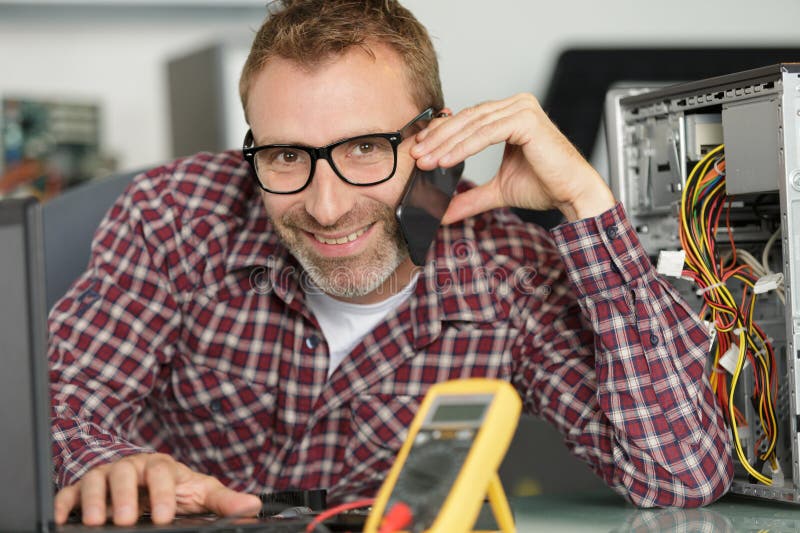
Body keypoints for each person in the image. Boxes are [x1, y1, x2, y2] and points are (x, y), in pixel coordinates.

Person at [49, 0, 733, 526]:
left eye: (365, 149)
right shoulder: (175, 215)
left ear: (439, 138)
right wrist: (111, 464)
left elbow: (678, 476)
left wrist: (586, 204)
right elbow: (59, 403)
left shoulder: (512, 270)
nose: (325, 206)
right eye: (285, 155)